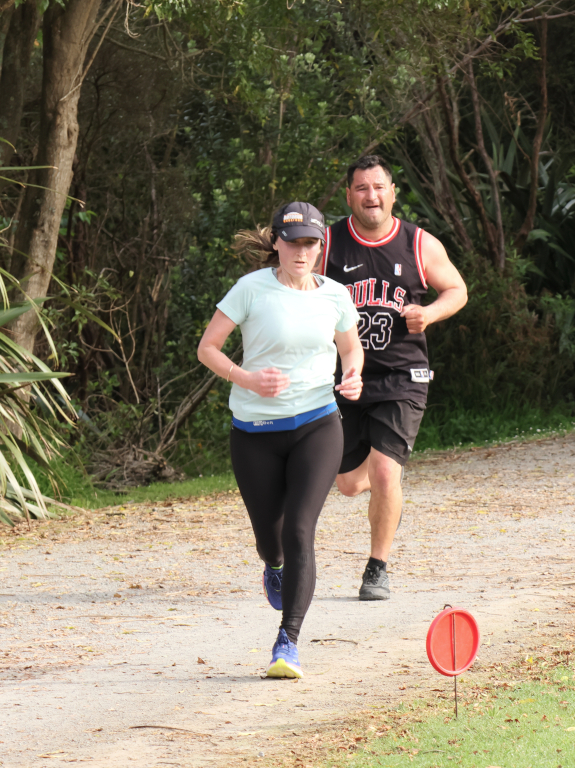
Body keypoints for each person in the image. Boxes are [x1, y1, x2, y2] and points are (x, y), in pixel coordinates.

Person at [197, 201, 363, 678]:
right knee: (271, 540)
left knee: (300, 531)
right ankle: (272, 565)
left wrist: (352, 377)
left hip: (318, 423)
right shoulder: (250, 290)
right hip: (255, 434)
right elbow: (208, 348)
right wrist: (246, 379)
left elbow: (350, 350)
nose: (301, 251)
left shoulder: (334, 295)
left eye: (311, 243)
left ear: (320, 246)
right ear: (276, 243)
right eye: (293, 242)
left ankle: (286, 642)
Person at [322, 156, 468, 600]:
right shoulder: (328, 244)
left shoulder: (419, 243)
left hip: (404, 375)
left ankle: (377, 568)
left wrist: (430, 312)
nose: (372, 196)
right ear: (349, 195)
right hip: (347, 375)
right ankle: (387, 461)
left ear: (393, 192)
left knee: (385, 474)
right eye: (362, 188)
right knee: (348, 484)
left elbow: (457, 290)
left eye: (379, 187)